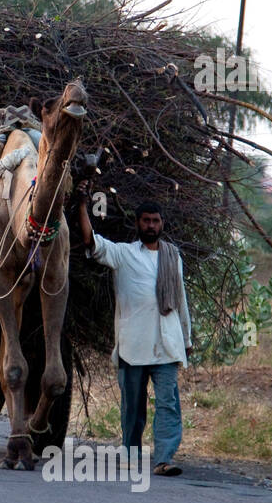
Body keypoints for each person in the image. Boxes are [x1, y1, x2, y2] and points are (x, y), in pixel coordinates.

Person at [77, 183, 192, 477]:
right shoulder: (124, 254)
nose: (151, 225)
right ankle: (130, 454)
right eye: (146, 221)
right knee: (133, 407)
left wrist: (186, 339)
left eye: (155, 221)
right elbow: (92, 242)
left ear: (161, 223)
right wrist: (81, 205)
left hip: (166, 343)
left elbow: (180, 301)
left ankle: (164, 458)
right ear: (138, 224)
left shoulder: (173, 256)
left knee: (168, 403)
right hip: (132, 343)